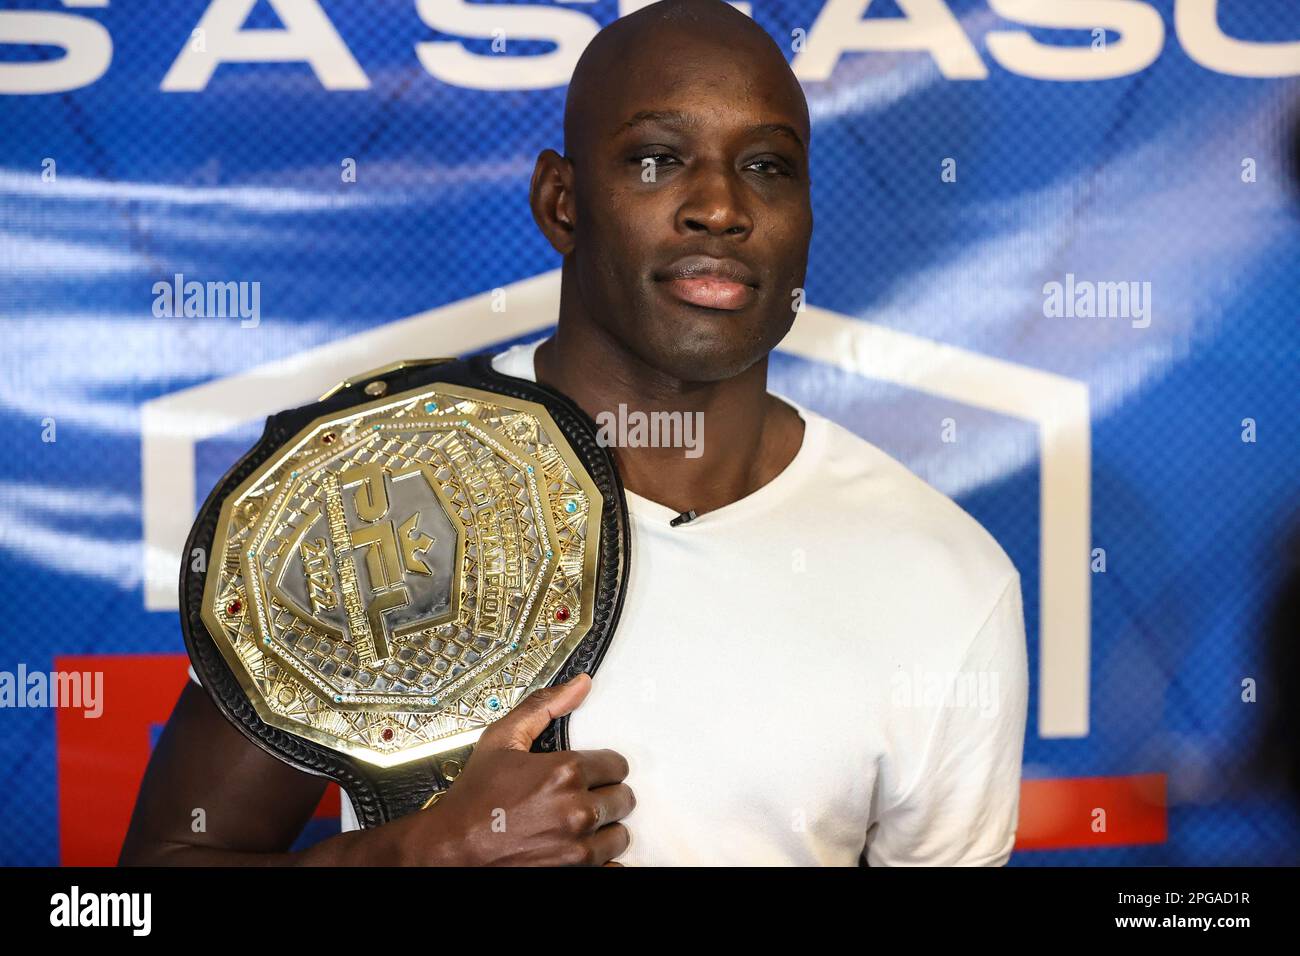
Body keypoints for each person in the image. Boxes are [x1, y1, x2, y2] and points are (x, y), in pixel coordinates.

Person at [121, 0, 1028, 867]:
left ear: (806, 221)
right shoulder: (376, 491)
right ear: (561, 201)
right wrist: (417, 853)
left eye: (766, 166)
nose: (720, 206)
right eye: (657, 159)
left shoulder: (944, 578)